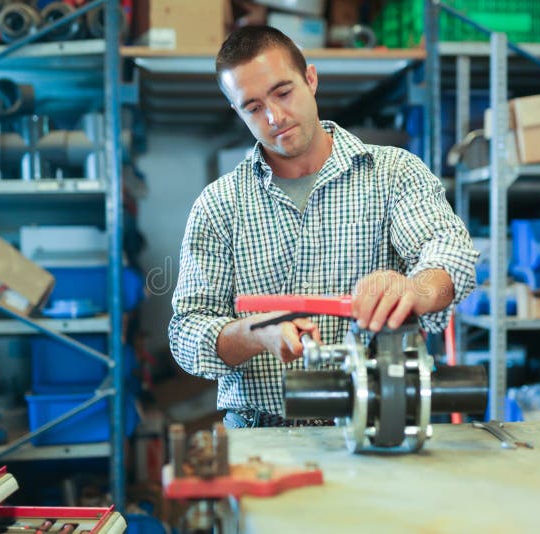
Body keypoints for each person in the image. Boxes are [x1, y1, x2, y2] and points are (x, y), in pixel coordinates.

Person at [169, 26, 478, 428]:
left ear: (310, 79)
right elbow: (187, 332)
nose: (274, 117)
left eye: (283, 92)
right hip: (261, 436)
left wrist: (415, 289)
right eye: (253, 107)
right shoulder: (218, 206)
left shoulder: (393, 173)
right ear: (237, 111)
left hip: (377, 427)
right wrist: (255, 333)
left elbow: (450, 253)